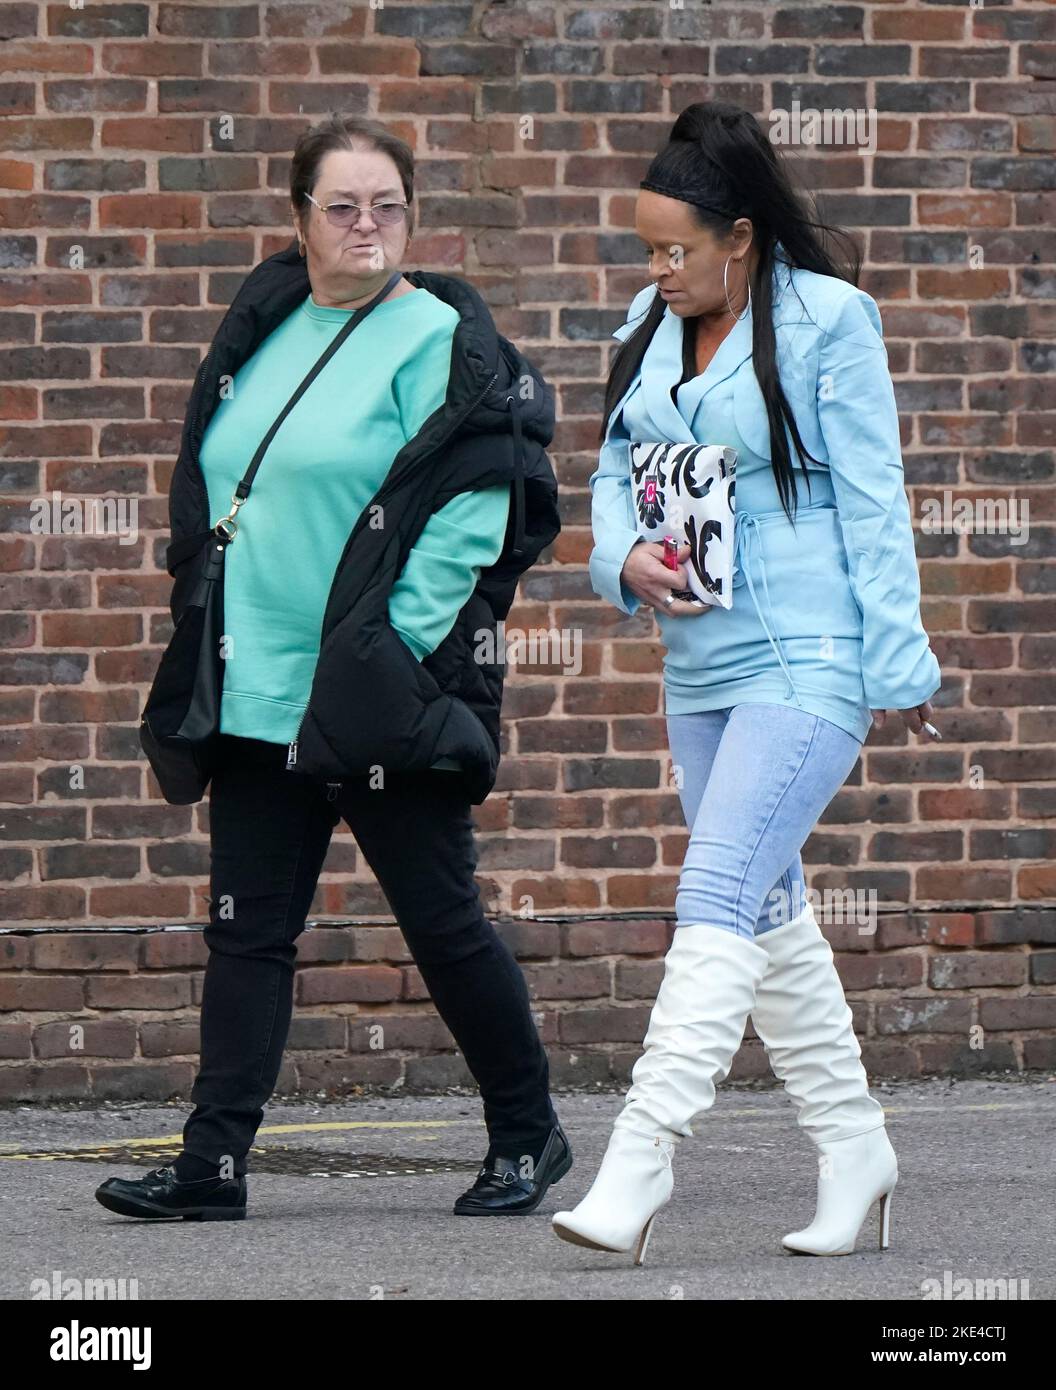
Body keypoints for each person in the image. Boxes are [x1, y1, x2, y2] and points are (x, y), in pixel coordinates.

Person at [96, 114, 571, 1224]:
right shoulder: (270, 327)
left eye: (389, 205)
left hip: (369, 696)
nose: (368, 225)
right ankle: (212, 1166)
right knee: (247, 930)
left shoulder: (435, 337)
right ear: (299, 217)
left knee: (440, 919)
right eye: (344, 205)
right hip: (256, 684)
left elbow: (475, 505)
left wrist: (391, 648)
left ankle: (527, 1133)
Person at [552, 101, 941, 1263]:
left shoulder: (831, 321)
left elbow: (874, 499)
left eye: (676, 248)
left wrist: (898, 658)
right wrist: (614, 555)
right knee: (767, 908)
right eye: (646, 248)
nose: (658, 269)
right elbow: (618, 464)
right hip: (700, 657)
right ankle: (855, 1147)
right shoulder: (649, 322)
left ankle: (639, 1161)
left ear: (742, 236)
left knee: (717, 888)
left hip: (809, 654)